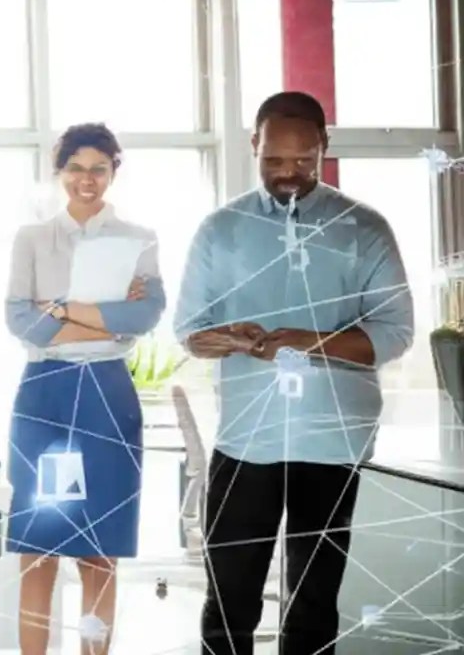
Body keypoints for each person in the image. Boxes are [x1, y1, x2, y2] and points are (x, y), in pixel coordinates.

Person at [173, 91, 414, 655]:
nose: (288, 173)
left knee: (313, 599)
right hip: (245, 438)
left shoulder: (365, 228)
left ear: (323, 148)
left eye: (304, 161)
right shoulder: (220, 229)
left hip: (334, 439)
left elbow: (396, 331)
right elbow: (189, 329)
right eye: (274, 160)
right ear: (253, 146)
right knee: (229, 594)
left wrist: (313, 340)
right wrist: (233, 337)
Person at [3, 123, 165, 655]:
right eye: (76, 168)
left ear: (114, 171)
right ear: (60, 172)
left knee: (101, 548)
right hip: (46, 395)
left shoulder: (138, 239)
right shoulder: (31, 238)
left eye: (99, 168)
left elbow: (145, 314)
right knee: (39, 545)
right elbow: (21, 324)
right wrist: (105, 320)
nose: (86, 179)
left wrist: (63, 310)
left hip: (107, 396)